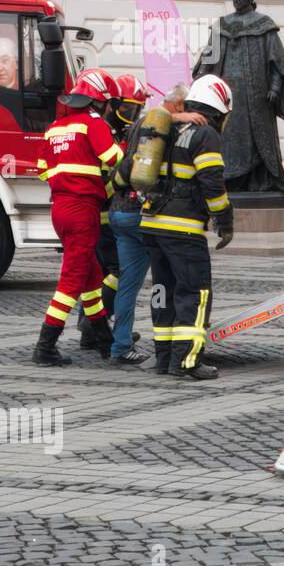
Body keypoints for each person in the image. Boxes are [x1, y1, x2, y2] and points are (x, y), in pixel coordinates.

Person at [136, 74, 234, 380]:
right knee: (194, 292)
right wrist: (225, 219)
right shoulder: (205, 135)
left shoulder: (163, 127)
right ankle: (187, 361)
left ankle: (164, 358)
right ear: (219, 110)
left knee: (162, 291)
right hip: (183, 228)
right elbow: (212, 184)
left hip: (152, 224)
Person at [32, 69, 123, 366]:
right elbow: (115, 160)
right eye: (110, 103)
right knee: (72, 281)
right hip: (82, 210)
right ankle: (45, 346)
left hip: (60, 208)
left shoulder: (55, 127)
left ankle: (104, 341)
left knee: (91, 277)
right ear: (100, 102)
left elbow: (43, 169)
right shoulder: (92, 124)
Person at [100, 75, 152, 365]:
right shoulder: (107, 132)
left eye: (135, 111)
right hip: (112, 214)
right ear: (113, 104)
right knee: (122, 277)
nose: (131, 116)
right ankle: (107, 335)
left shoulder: (123, 132)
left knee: (113, 277)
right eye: (128, 109)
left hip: (112, 214)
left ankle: (105, 334)